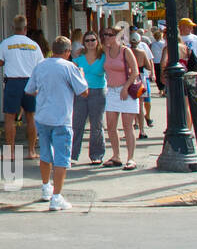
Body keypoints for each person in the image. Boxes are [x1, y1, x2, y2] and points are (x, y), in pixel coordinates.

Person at [24, 36, 89, 212]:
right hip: (62, 118)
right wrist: (81, 75)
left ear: (53, 50)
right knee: (61, 158)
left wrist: (44, 92)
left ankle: (46, 187)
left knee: (45, 155)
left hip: (43, 117)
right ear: (67, 52)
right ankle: (57, 197)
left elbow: (29, 90)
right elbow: (83, 92)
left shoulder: (41, 66)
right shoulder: (70, 67)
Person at [0, 15, 43, 158]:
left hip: (13, 83)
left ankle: (10, 152)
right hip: (30, 81)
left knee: (10, 118)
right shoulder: (34, 45)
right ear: (26, 29)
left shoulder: (6, 43)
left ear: (12, 28)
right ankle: (32, 151)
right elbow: (40, 65)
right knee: (31, 117)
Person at [101, 23, 142, 169]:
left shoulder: (126, 51)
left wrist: (125, 88)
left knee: (127, 126)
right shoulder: (105, 51)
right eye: (105, 34)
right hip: (111, 91)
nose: (106, 37)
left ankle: (130, 158)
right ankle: (116, 155)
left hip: (127, 90)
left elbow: (136, 71)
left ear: (117, 37)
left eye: (109, 35)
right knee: (111, 126)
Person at [71, 30, 106, 165]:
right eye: (87, 40)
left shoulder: (103, 56)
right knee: (77, 124)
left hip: (98, 92)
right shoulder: (79, 58)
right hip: (81, 93)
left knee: (96, 125)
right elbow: (71, 74)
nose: (90, 43)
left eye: (93, 40)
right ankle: (73, 155)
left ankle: (96, 154)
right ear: (83, 43)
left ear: (97, 41)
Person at [131, 30, 155, 132]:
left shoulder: (126, 51)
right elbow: (148, 66)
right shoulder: (142, 52)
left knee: (132, 104)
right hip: (140, 78)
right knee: (140, 104)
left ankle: (134, 125)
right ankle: (142, 130)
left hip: (129, 77)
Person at [176, 18, 197, 86]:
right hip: (180, 69)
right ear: (181, 27)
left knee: (193, 90)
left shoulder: (195, 38)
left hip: (193, 69)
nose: (191, 28)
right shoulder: (176, 38)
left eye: (191, 27)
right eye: (188, 26)